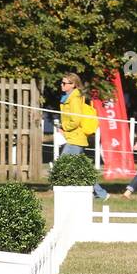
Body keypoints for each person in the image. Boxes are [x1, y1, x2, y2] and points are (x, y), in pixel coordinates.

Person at [57, 72, 109, 200]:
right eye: (62, 82)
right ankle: (100, 193)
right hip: (73, 137)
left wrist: (64, 126)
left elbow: (76, 119)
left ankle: (70, 191)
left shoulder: (74, 98)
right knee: (82, 169)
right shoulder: (68, 97)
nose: (62, 85)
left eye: (64, 83)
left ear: (73, 85)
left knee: (63, 164)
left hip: (76, 137)